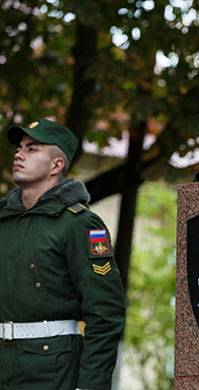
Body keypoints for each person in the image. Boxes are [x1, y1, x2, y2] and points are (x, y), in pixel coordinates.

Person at [0, 119, 126, 389]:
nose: (19, 154)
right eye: (19, 148)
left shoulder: (79, 224)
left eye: (32, 149)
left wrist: (90, 386)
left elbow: (105, 313)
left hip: (53, 370)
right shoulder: (3, 222)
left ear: (56, 165)